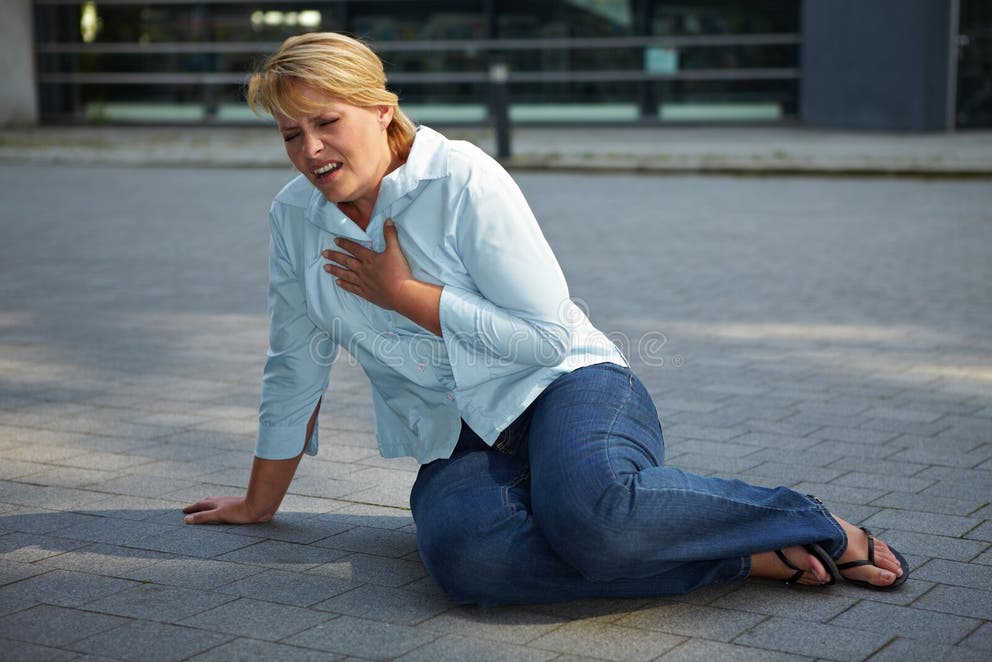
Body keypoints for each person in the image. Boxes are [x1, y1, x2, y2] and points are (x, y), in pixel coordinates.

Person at [182, 32, 910, 605]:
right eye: (289, 133)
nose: (309, 150)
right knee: (470, 563)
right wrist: (259, 503)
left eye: (325, 122)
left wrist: (407, 296)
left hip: (568, 387)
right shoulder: (295, 217)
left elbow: (547, 337)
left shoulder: (461, 177)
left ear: (379, 110)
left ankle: (807, 519)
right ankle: (743, 558)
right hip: (458, 434)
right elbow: (296, 361)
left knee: (597, 519)